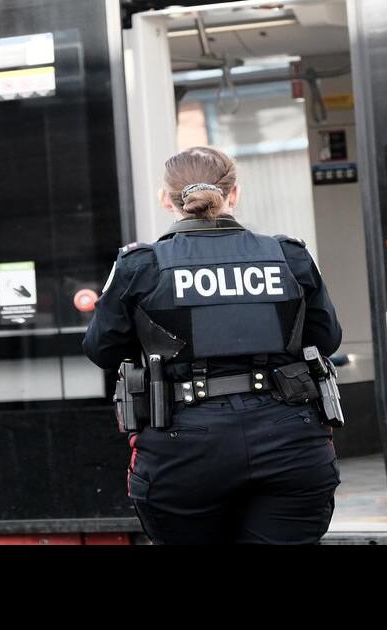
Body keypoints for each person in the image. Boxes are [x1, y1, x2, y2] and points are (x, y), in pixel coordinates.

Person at [82, 146, 343, 544]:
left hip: (182, 447)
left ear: (165, 199)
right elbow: (326, 339)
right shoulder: (288, 256)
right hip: (291, 438)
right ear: (233, 194)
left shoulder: (140, 265)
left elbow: (102, 350)